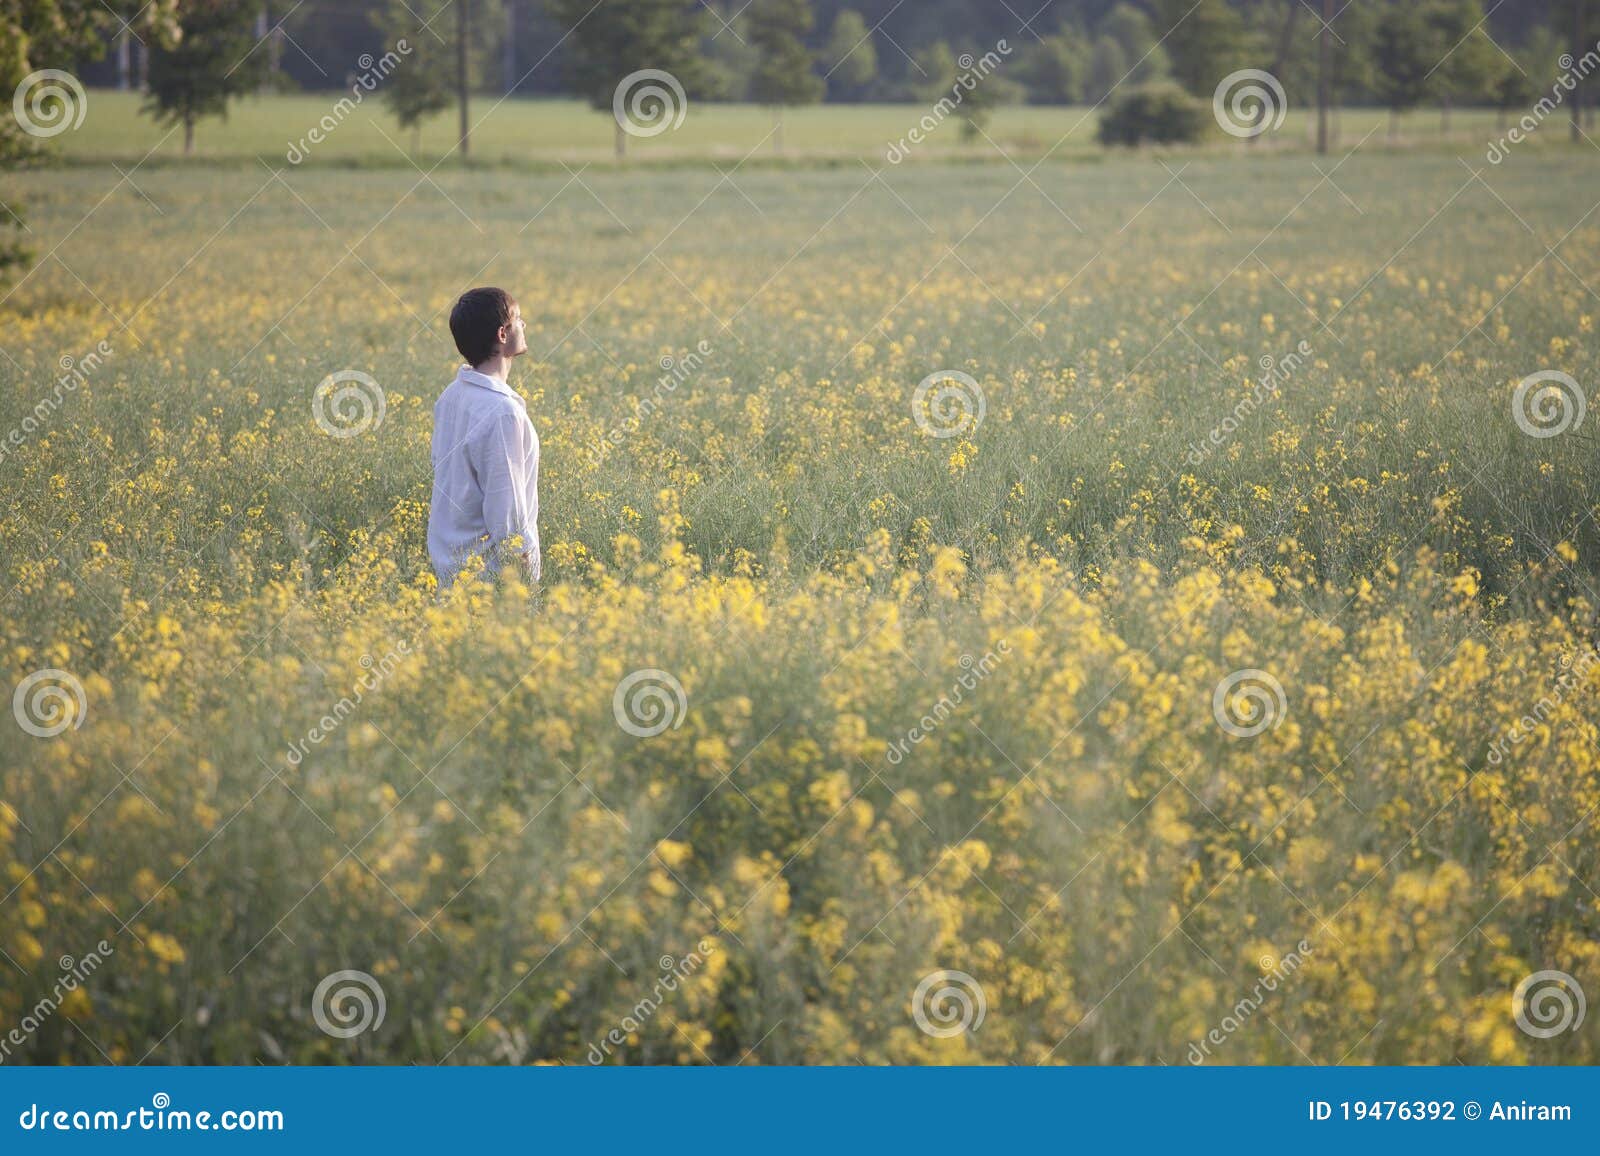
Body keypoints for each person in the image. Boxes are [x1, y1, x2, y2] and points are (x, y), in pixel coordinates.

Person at [427, 286, 540, 588]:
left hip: (451, 574)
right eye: (517, 319)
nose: (523, 325)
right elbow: (508, 517)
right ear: (503, 334)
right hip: (490, 583)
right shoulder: (502, 412)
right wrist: (525, 591)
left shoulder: (451, 397)